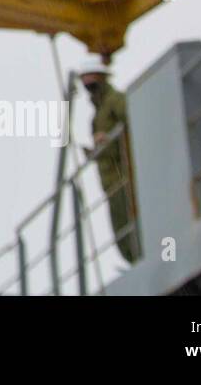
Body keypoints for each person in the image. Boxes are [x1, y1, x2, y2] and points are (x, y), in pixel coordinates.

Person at [79, 63, 138, 264]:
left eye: (92, 80)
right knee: (122, 231)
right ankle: (136, 262)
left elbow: (133, 125)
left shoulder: (115, 101)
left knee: (134, 224)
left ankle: (142, 258)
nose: (88, 85)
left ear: (102, 78)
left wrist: (109, 139)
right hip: (110, 182)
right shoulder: (97, 115)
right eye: (85, 82)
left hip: (125, 176)